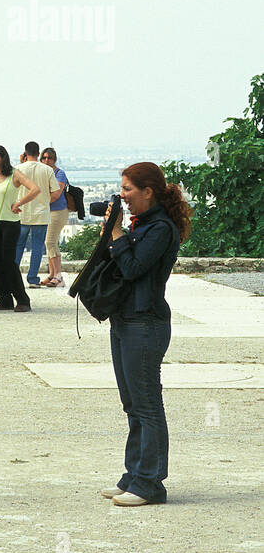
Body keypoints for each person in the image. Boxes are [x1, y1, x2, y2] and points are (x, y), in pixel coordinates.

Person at [100, 163, 189, 506]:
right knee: (132, 403)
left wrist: (119, 234)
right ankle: (134, 475)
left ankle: (150, 483)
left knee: (148, 404)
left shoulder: (161, 229)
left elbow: (134, 268)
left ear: (148, 191)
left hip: (146, 323)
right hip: (124, 320)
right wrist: (113, 232)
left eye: (127, 189)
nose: (122, 195)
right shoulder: (141, 225)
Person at [0, 144, 39, 311]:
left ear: (3, 158)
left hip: (10, 224)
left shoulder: (15, 174)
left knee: (9, 262)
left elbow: (35, 189)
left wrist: (19, 202)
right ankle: (4, 298)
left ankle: (23, 300)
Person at [13, 141, 61, 288]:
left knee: (18, 246)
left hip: (21, 213)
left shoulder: (17, 169)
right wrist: (46, 201)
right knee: (37, 247)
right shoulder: (47, 170)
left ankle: (13, 276)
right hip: (41, 213)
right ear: (38, 154)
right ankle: (33, 278)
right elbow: (55, 191)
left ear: (25, 153)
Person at [41, 147, 70, 287]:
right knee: (50, 244)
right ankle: (52, 274)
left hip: (58, 211)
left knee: (50, 242)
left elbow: (56, 194)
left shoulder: (59, 173)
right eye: (44, 158)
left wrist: (39, 200)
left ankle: (58, 276)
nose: (47, 161)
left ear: (54, 159)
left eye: (49, 158)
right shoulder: (42, 173)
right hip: (47, 211)